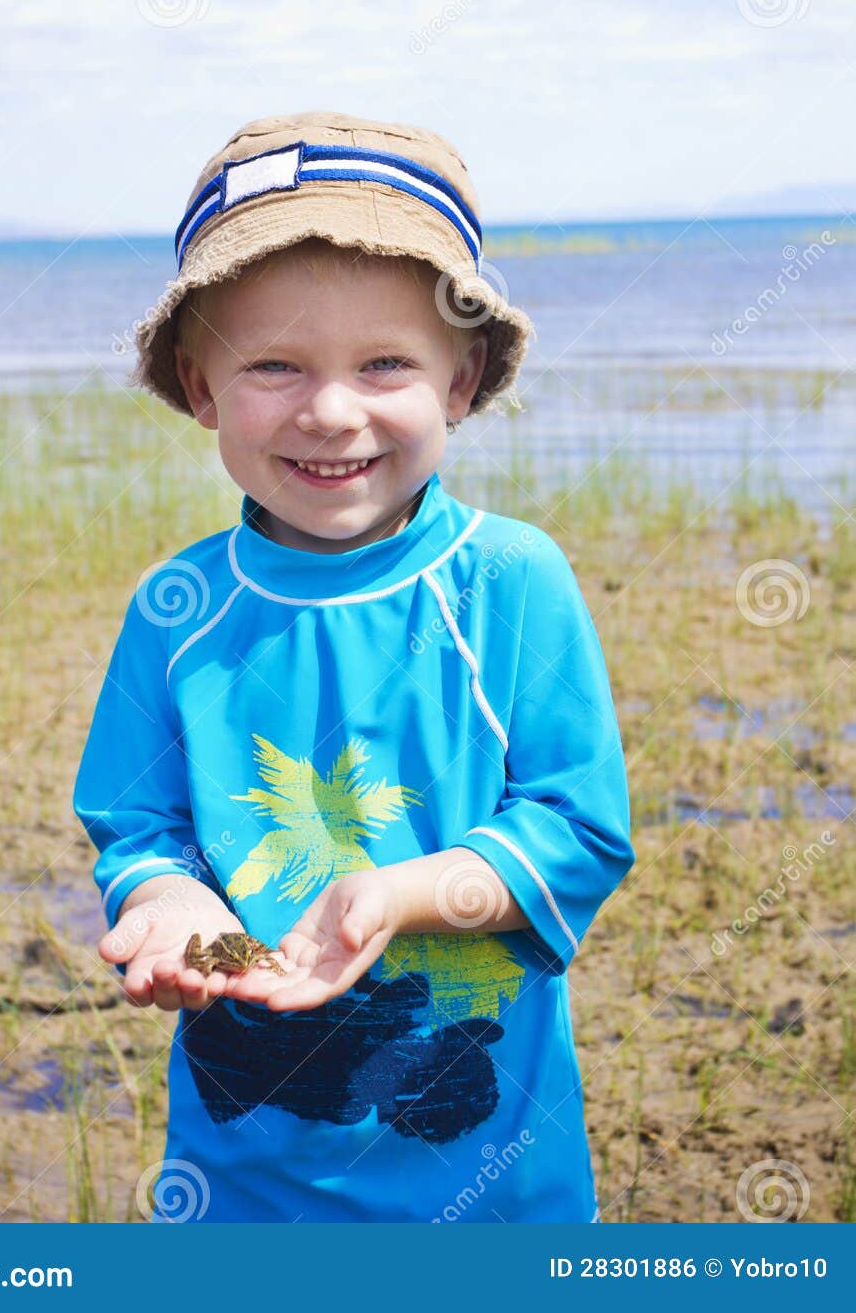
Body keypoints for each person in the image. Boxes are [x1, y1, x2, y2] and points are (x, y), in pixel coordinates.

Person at [73, 110, 635, 1223]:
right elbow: (136, 824)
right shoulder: (175, 613)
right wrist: (173, 896)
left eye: (385, 363)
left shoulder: (508, 581)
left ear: (462, 377)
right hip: (241, 1183)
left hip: (491, 1191)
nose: (331, 412)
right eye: (273, 365)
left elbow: (577, 827)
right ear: (198, 387)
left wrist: (396, 895)